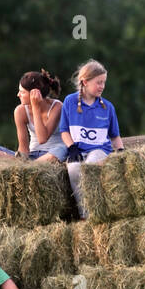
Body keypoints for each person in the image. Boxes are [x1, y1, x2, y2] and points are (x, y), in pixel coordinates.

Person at [59, 60, 124, 218]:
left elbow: (114, 136)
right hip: (78, 150)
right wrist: (72, 147)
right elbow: (64, 130)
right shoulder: (70, 101)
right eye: (98, 82)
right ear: (85, 82)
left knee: (89, 167)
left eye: (104, 83)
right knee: (73, 169)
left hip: (100, 150)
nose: (102, 86)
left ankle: (98, 210)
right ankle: (85, 214)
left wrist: (121, 151)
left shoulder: (107, 107)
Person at [0, 69, 67, 163]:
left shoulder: (57, 106)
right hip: (33, 155)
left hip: (53, 154)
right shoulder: (20, 111)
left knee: (63, 149)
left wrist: (36, 107)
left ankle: (33, 166)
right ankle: (32, 166)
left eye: (22, 92)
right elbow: (24, 148)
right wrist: (21, 159)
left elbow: (42, 138)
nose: (18, 95)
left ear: (35, 93)